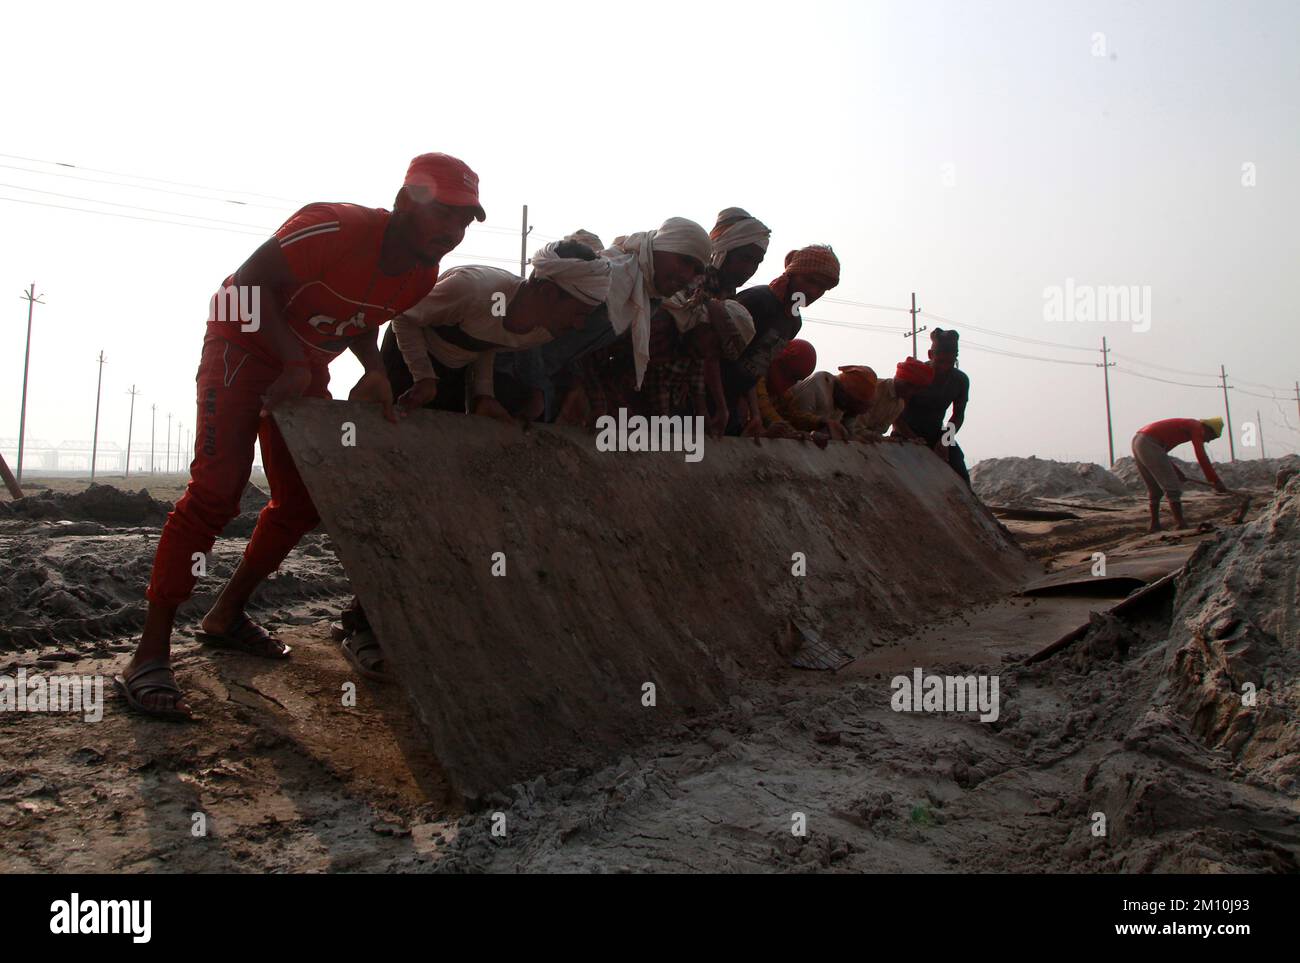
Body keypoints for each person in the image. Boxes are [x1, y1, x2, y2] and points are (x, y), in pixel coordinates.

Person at [115, 153, 485, 720]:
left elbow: (364, 317)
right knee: (217, 492)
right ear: (407, 202)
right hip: (241, 347)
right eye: (446, 216)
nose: (454, 233)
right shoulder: (334, 226)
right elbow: (246, 286)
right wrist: (289, 360)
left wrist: (376, 370)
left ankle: (225, 615)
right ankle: (149, 653)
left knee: (301, 502)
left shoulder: (420, 274)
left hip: (304, 364)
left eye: (464, 223)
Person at [383, 239, 611, 422]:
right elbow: (404, 318)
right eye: (579, 313)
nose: (579, 325)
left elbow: (486, 341)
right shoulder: (474, 290)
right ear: (549, 294)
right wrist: (423, 376)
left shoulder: (544, 331)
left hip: (453, 370)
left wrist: (483, 394)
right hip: (407, 352)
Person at [724, 245, 841, 434]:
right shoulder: (759, 300)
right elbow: (713, 356)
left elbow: (754, 373)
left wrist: (755, 416)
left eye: (822, 288)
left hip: (734, 404)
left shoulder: (794, 322)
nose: (813, 291)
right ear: (792, 274)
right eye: (809, 280)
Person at [895, 328, 971, 484]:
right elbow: (895, 414)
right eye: (940, 362)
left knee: (960, 472)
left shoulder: (960, 380)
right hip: (905, 433)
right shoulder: (916, 375)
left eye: (950, 362)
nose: (944, 367)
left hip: (938, 433)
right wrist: (913, 439)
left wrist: (945, 440)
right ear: (931, 355)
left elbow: (958, 415)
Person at [1131, 416, 1229, 532]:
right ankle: (1181, 523)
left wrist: (1178, 472)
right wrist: (1215, 481)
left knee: (1155, 489)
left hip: (1139, 440)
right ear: (1208, 429)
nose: (1207, 441)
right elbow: (1201, 456)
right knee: (1173, 488)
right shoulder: (1196, 427)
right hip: (1149, 442)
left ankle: (1155, 525)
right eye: (1211, 438)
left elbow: (1162, 454)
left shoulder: (1185, 428)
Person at [848, 357, 935, 440]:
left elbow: (878, 432)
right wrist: (881, 439)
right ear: (899, 377)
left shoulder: (900, 404)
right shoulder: (873, 389)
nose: (910, 391)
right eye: (909, 385)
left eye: (916, 389)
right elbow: (855, 428)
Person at [784, 365, 878, 439]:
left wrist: (858, 437)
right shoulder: (819, 382)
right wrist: (822, 422)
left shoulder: (843, 403)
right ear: (846, 393)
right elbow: (794, 416)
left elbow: (848, 432)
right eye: (851, 403)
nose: (847, 410)